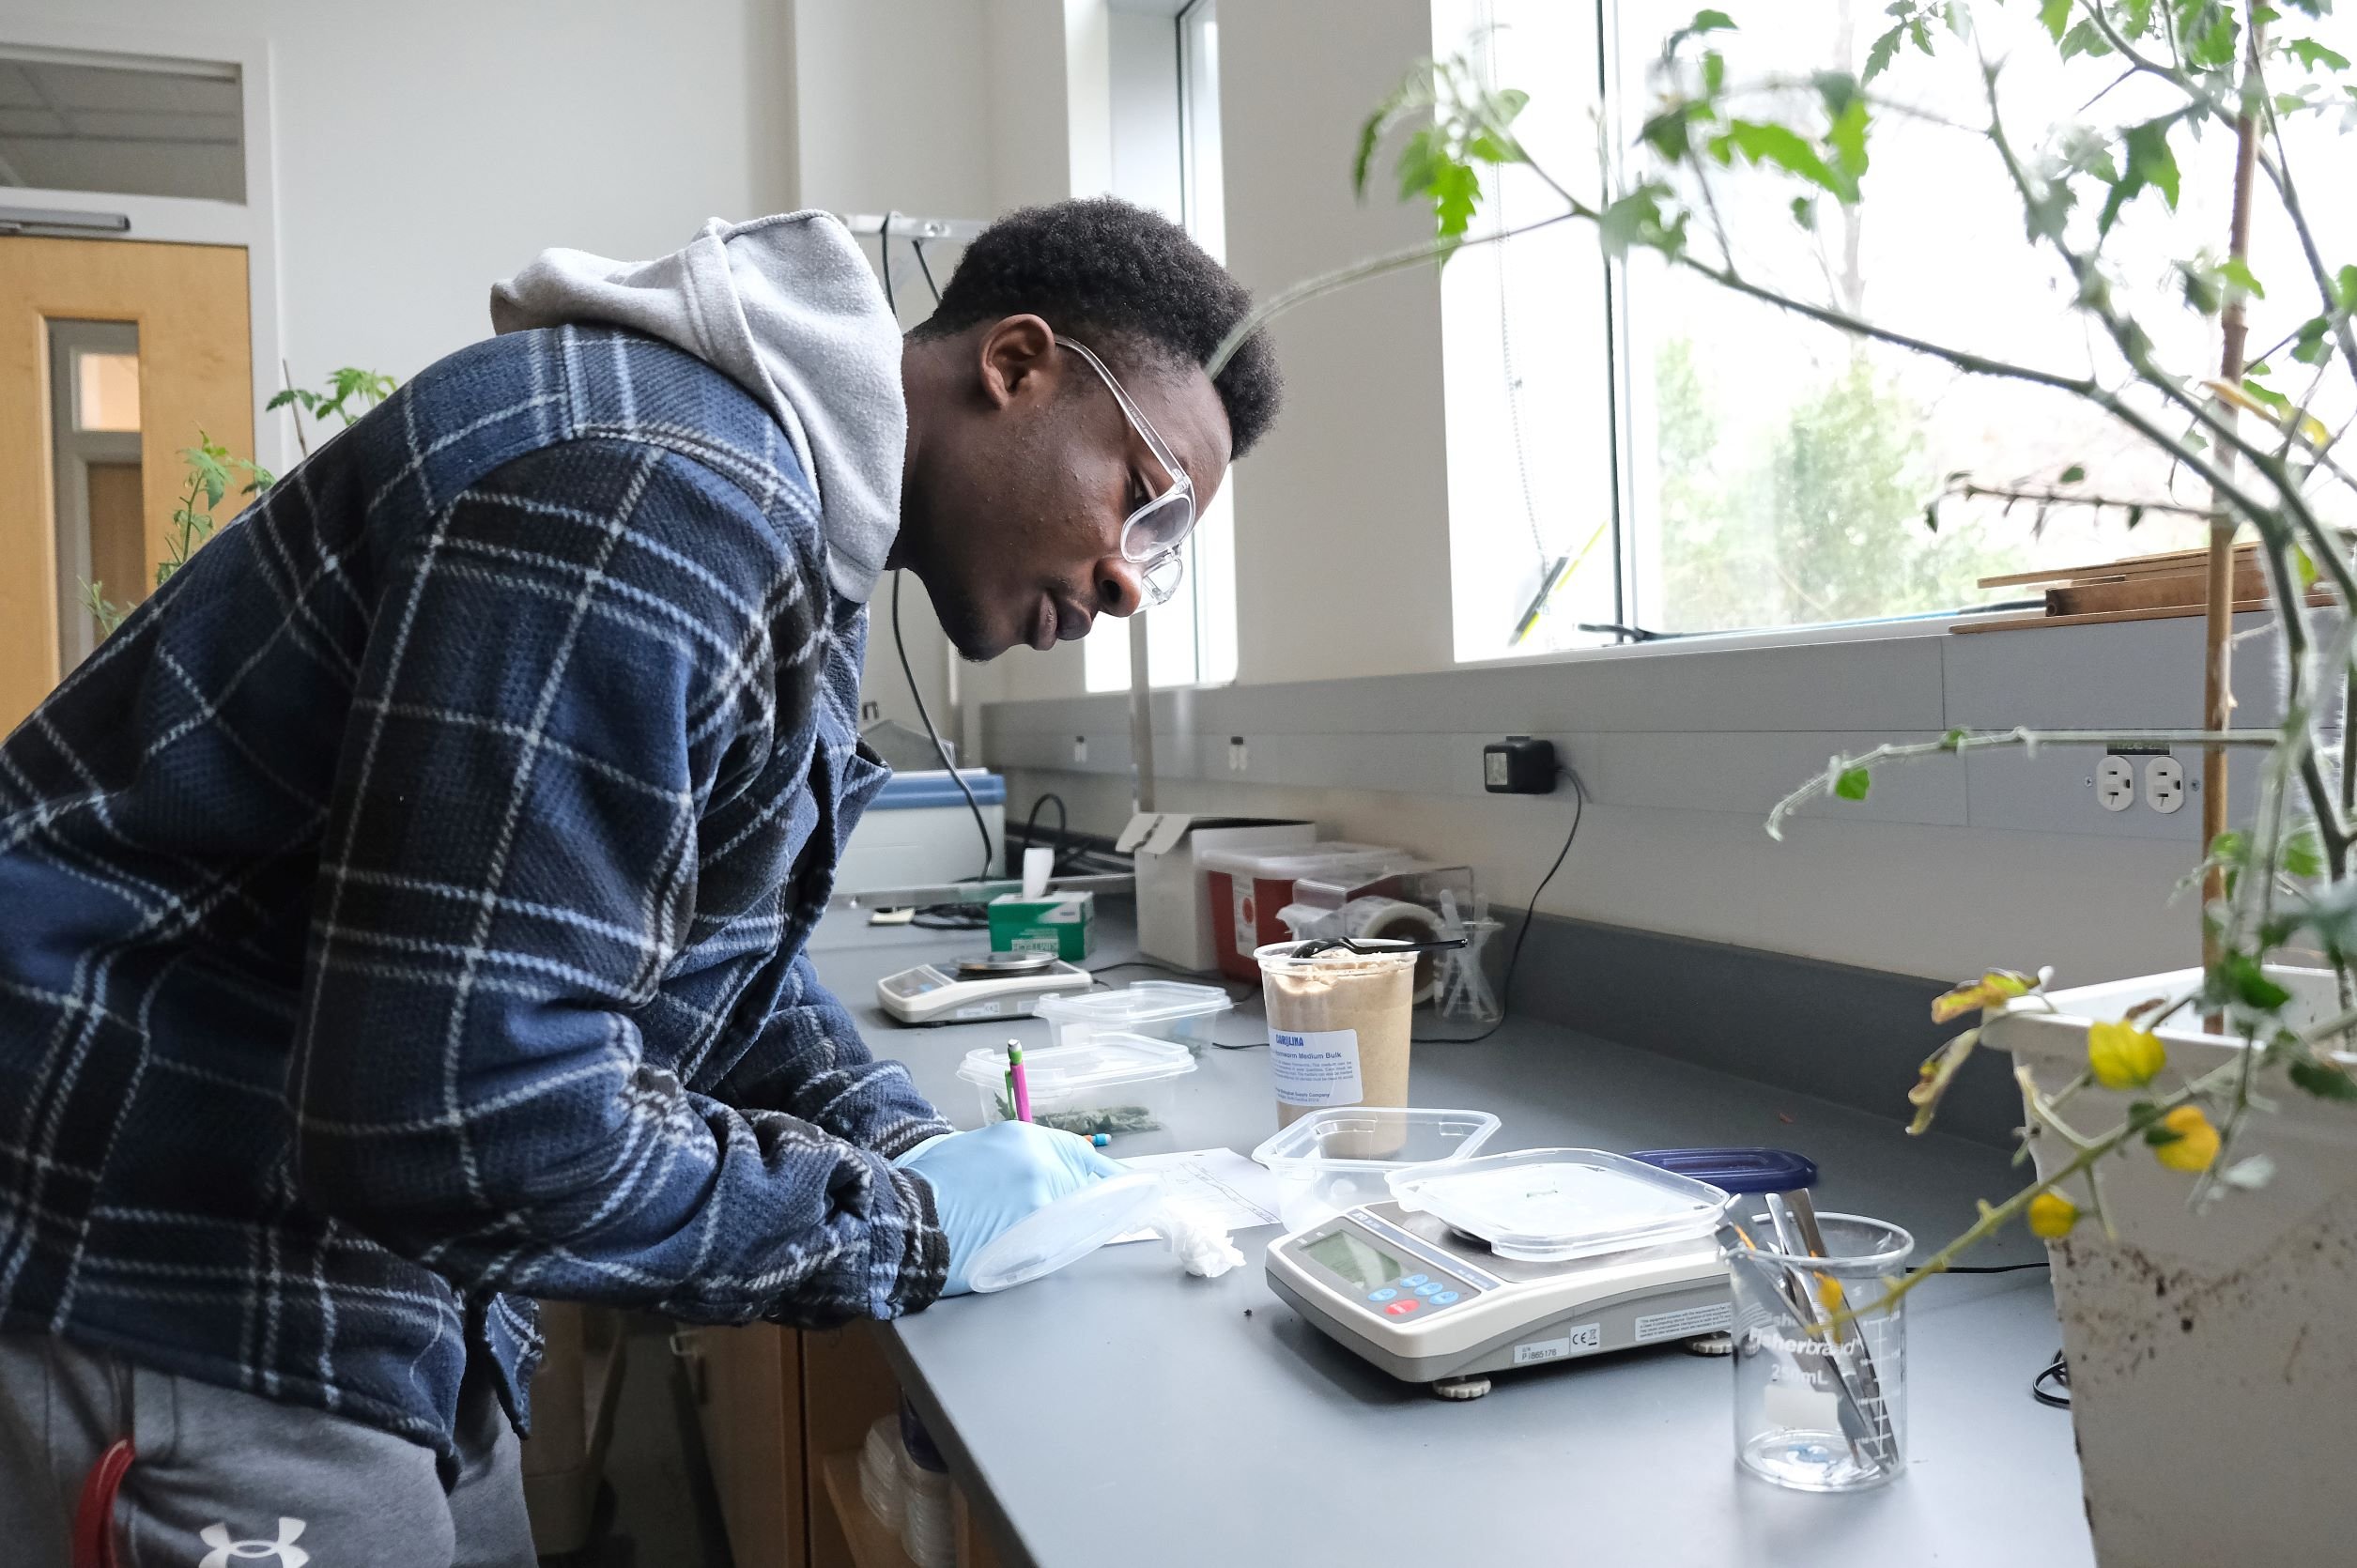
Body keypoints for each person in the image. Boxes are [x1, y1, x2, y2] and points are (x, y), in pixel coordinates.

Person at [0, 196, 1280, 1565]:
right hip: (160, 1253)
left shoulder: (781, 514)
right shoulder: (660, 493)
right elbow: (463, 1122)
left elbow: (700, 939)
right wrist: (894, 1226)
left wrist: (899, 1133)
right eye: (1141, 506)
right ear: (1015, 366)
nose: (1130, 581)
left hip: (357, 1253)